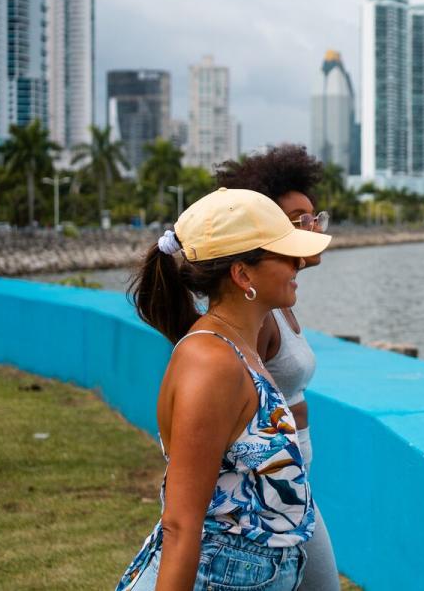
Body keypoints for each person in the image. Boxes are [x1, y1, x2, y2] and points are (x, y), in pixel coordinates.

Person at [117, 187, 331, 591]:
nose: (299, 263)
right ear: (242, 274)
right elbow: (181, 525)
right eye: (285, 254)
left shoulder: (237, 346)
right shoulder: (212, 362)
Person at [215, 145, 342, 591]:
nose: (311, 227)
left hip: (291, 476)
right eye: (296, 220)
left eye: (312, 216)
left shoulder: (281, 302)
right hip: (267, 486)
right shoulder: (258, 314)